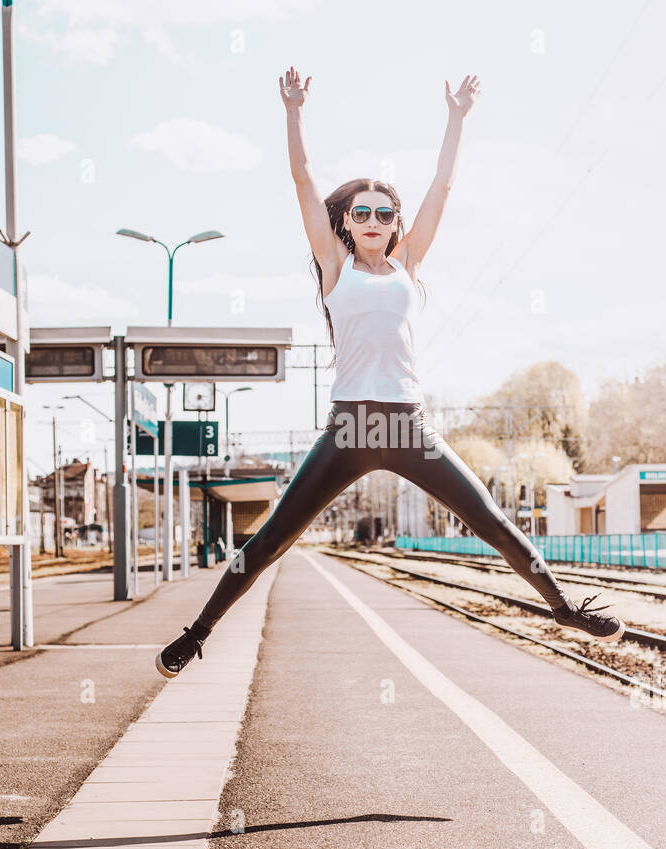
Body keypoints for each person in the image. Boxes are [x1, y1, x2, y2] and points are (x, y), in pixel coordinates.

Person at [156, 67, 625, 678]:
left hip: (409, 428)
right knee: (270, 540)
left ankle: (563, 607)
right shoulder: (334, 265)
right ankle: (197, 633)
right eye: (361, 213)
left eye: (384, 213)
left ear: (395, 223)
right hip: (350, 429)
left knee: (491, 520)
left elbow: (443, 187)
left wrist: (456, 118)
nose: (373, 221)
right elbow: (301, 179)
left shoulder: (407, 264)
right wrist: (294, 112)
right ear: (345, 224)